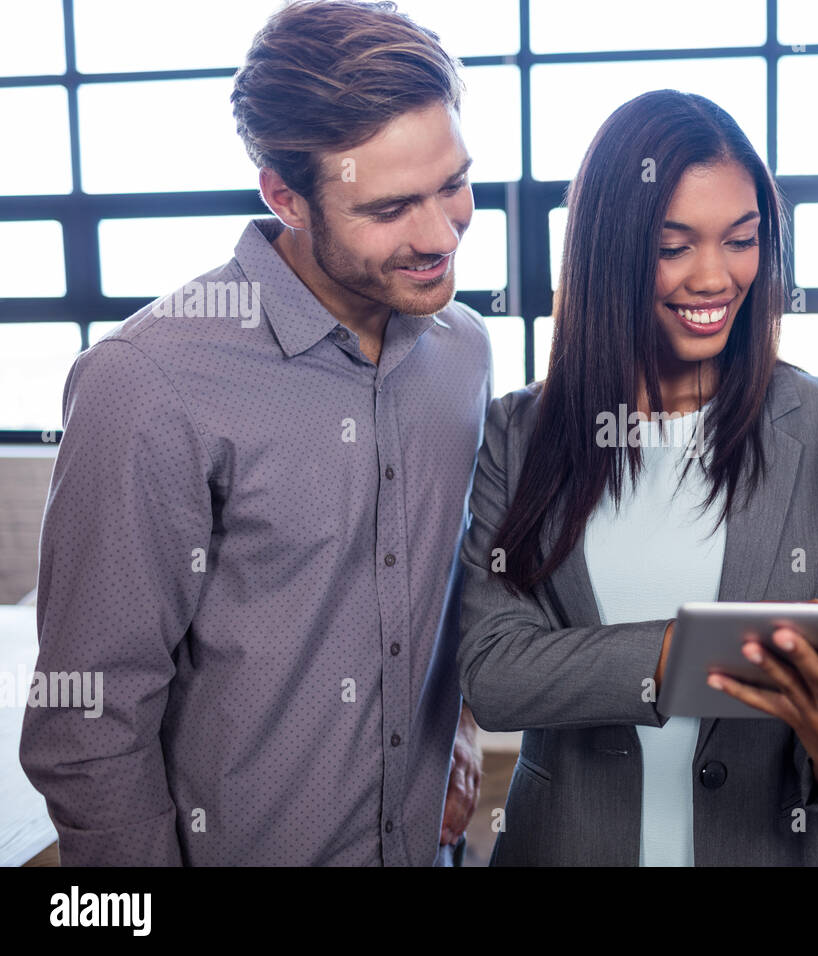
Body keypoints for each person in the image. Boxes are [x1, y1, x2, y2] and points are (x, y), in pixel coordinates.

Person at [20, 0, 488, 865]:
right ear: (285, 196)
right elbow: (86, 722)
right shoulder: (145, 382)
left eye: (453, 184)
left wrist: (455, 718)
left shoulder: (462, 351)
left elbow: (439, 583)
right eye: (390, 209)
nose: (439, 235)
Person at [457, 89, 818, 866]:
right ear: (610, 250)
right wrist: (680, 653)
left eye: (741, 240)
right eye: (674, 247)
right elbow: (495, 671)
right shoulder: (518, 432)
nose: (714, 277)